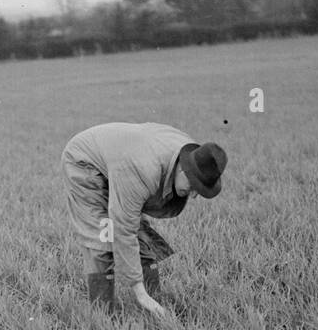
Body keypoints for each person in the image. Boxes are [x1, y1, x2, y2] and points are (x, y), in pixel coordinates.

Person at [61, 122, 227, 316]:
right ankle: (102, 317)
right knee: (103, 235)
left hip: (121, 157)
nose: (192, 195)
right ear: (183, 170)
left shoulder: (193, 155)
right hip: (84, 161)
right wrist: (139, 293)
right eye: (193, 187)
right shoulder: (142, 170)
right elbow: (123, 228)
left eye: (199, 190)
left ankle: (155, 302)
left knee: (137, 227)